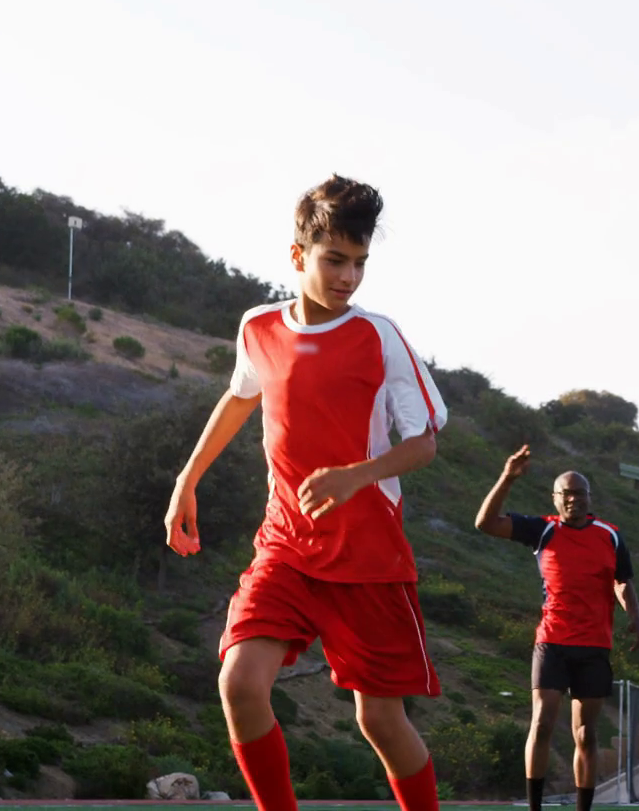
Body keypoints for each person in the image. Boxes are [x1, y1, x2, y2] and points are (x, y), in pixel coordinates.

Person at [162, 175, 448, 811]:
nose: (349, 277)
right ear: (299, 256)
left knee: (379, 722)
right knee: (238, 681)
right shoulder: (259, 327)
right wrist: (188, 478)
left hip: (369, 557)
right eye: (334, 260)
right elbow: (240, 397)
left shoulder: (380, 336)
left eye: (360, 263)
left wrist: (355, 475)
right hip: (286, 546)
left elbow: (424, 442)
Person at [476, 446, 639, 811]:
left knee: (585, 732)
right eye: (565, 494)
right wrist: (507, 477)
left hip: (594, 645)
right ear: (556, 499)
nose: (573, 500)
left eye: (579, 493)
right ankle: (535, 807)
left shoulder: (610, 535)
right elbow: (485, 523)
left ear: (589, 498)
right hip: (552, 641)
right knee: (542, 721)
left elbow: (622, 581)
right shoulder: (542, 530)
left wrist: (634, 614)